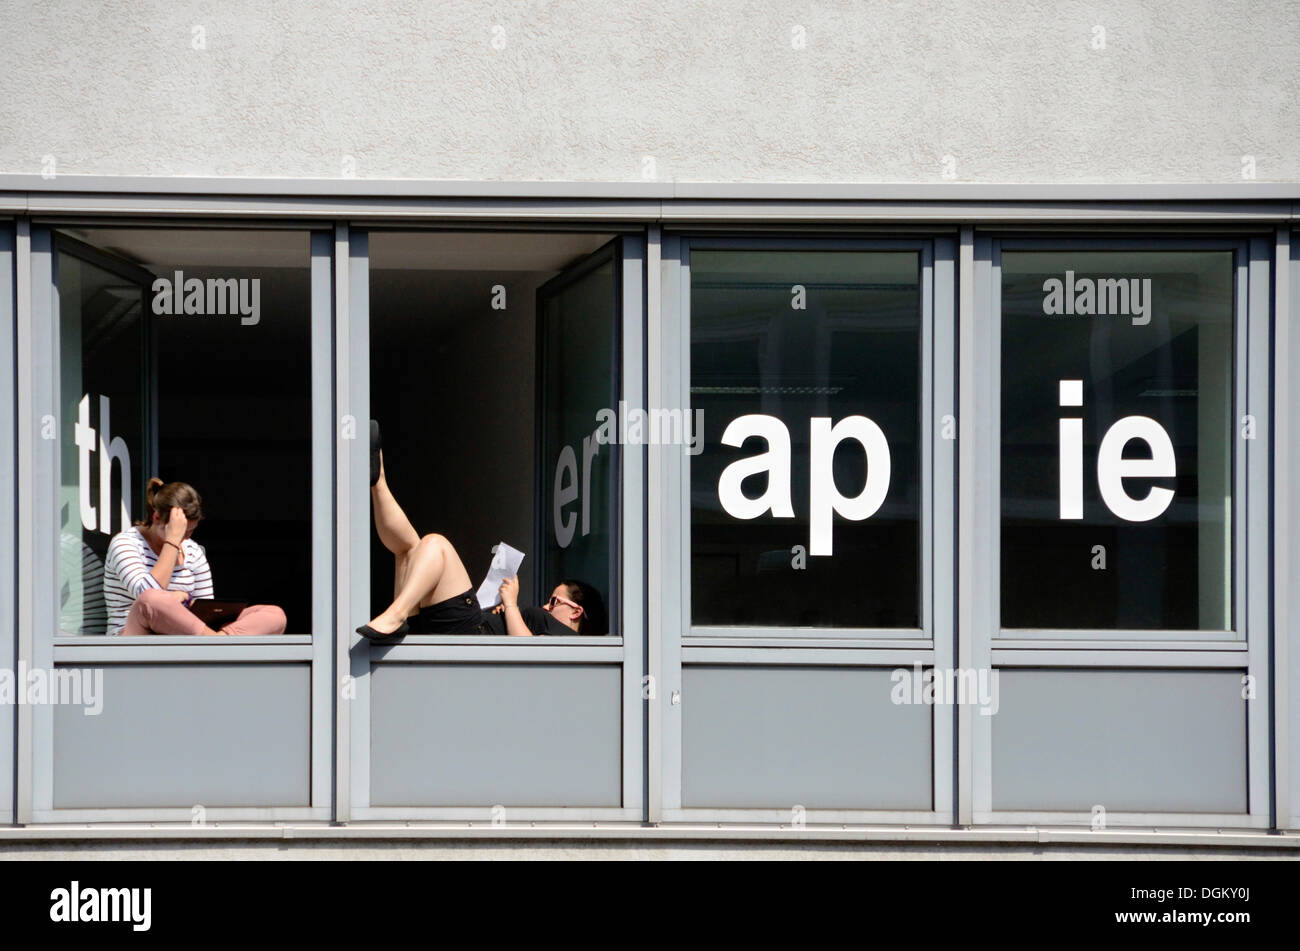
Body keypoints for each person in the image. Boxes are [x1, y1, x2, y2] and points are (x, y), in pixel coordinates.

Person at [356, 423, 608, 641]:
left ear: (576, 611)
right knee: (410, 551)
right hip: (466, 628)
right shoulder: (546, 627)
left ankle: (397, 615)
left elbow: (533, 657)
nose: (545, 605)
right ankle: (379, 481)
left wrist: (511, 605)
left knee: (436, 544)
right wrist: (505, 611)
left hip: (470, 631)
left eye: (554, 602)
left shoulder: (571, 641)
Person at [103, 478, 288, 637]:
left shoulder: (192, 550)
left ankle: (219, 641)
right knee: (150, 599)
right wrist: (172, 542)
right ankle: (216, 643)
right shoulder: (126, 543)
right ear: (157, 518)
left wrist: (187, 602)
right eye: (180, 531)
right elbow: (147, 595)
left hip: (185, 634)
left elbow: (209, 608)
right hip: (135, 636)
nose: (185, 538)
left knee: (273, 614)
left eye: (189, 532)